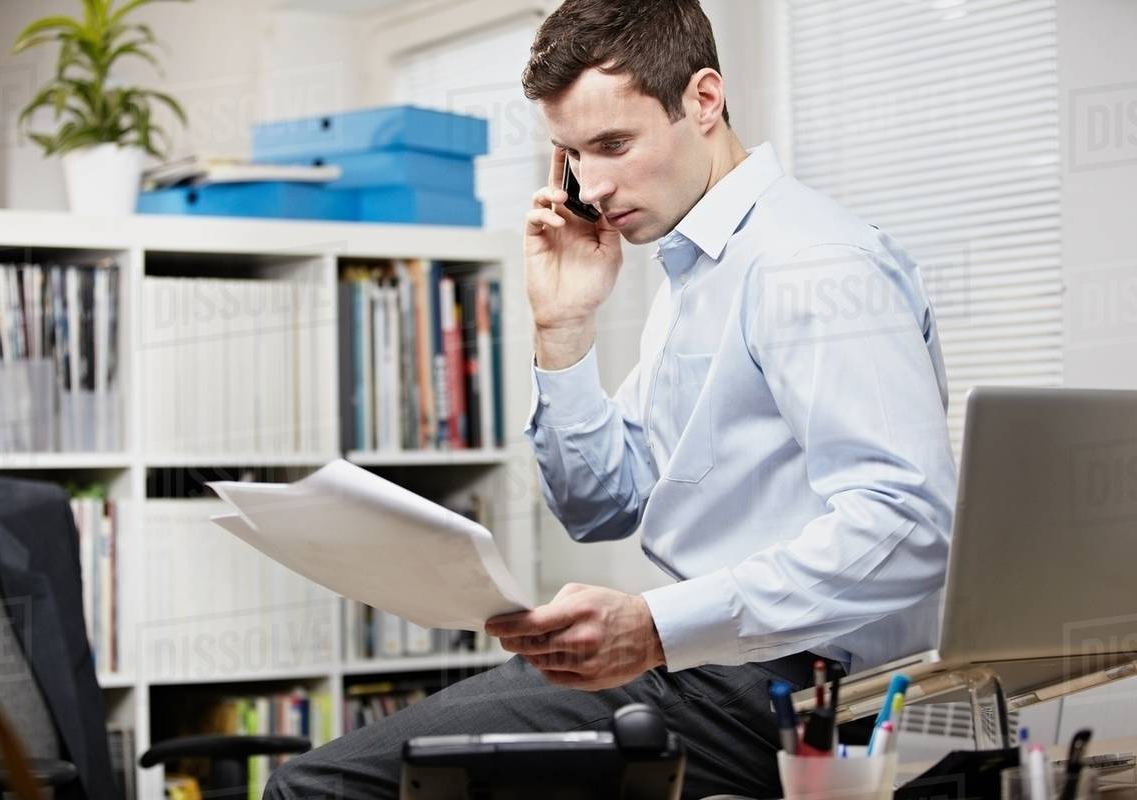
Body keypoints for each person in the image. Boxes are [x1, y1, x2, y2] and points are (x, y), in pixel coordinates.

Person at [265, 1, 956, 797]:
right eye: (571, 155)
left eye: (614, 145)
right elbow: (600, 505)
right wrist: (562, 328)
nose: (591, 187)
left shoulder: (809, 264)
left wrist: (657, 627)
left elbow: (909, 524)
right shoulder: (697, 268)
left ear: (703, 99)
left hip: (806, 690)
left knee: (317, 789)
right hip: (717, 665)